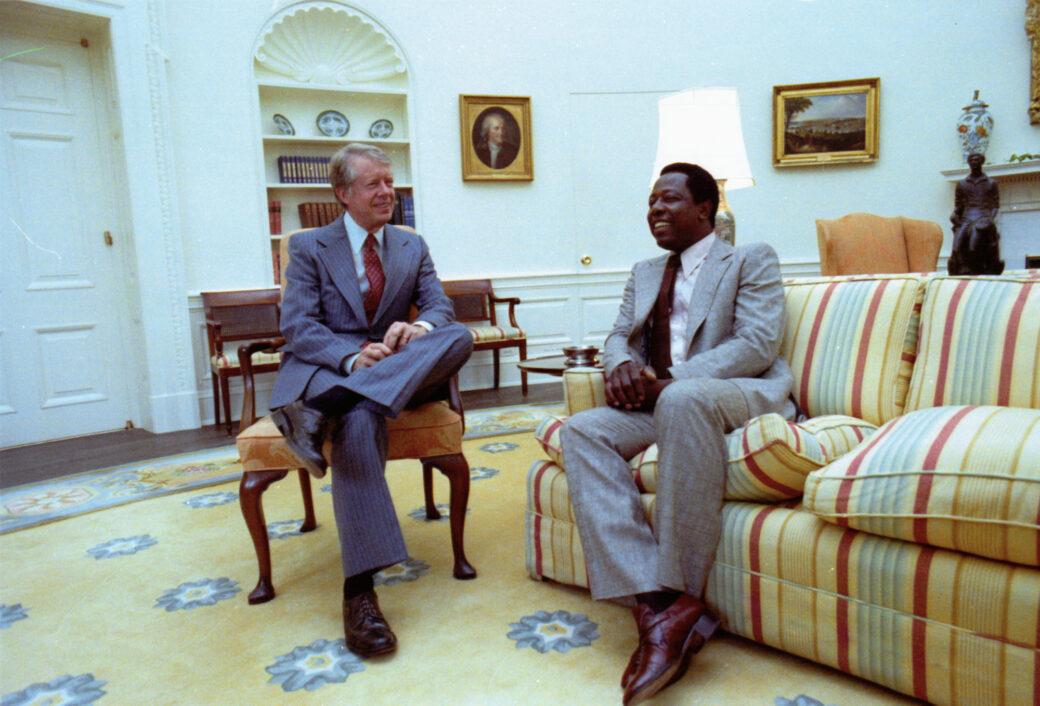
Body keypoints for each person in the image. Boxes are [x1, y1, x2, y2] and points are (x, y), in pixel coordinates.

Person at [560, 162, 794, 704]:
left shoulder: (749, 258)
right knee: (581, 431)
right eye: (651, 203)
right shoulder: (645, 271)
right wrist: (618, 366)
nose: (655, 210)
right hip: (663, 402)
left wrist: (670, 381)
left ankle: (676, 592)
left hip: (733, 393)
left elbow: (758, 344)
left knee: (684, 398)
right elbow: (619, 333)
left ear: (704, 208)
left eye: (668, 200)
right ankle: (661, 607)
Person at [269, 142, 473, 659]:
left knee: (459, 337)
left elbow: (439, 306)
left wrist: (417, 327)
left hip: (399, 368)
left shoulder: (410, 244)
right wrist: (353, 357)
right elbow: (298, 327)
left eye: (390, 182)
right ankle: (359, 593)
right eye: (373, 184)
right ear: (343, 193)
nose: (388, 192)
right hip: (335, 367)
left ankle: (319, 413)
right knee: (360, 422)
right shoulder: (311, 247)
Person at [947, 152, 1004, 275]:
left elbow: (995, 205)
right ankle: (961, 268)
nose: (974, 162)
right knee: (958, 243)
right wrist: (954, 215)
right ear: (968, 163)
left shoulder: (990, 183)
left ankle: (976, 267)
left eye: (977, 160)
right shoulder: (962, 184)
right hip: (967, 217)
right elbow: (958, 206)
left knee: (974, 241)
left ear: (982, 162)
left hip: (983, 216)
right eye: (972, 160)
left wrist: (990, 218)